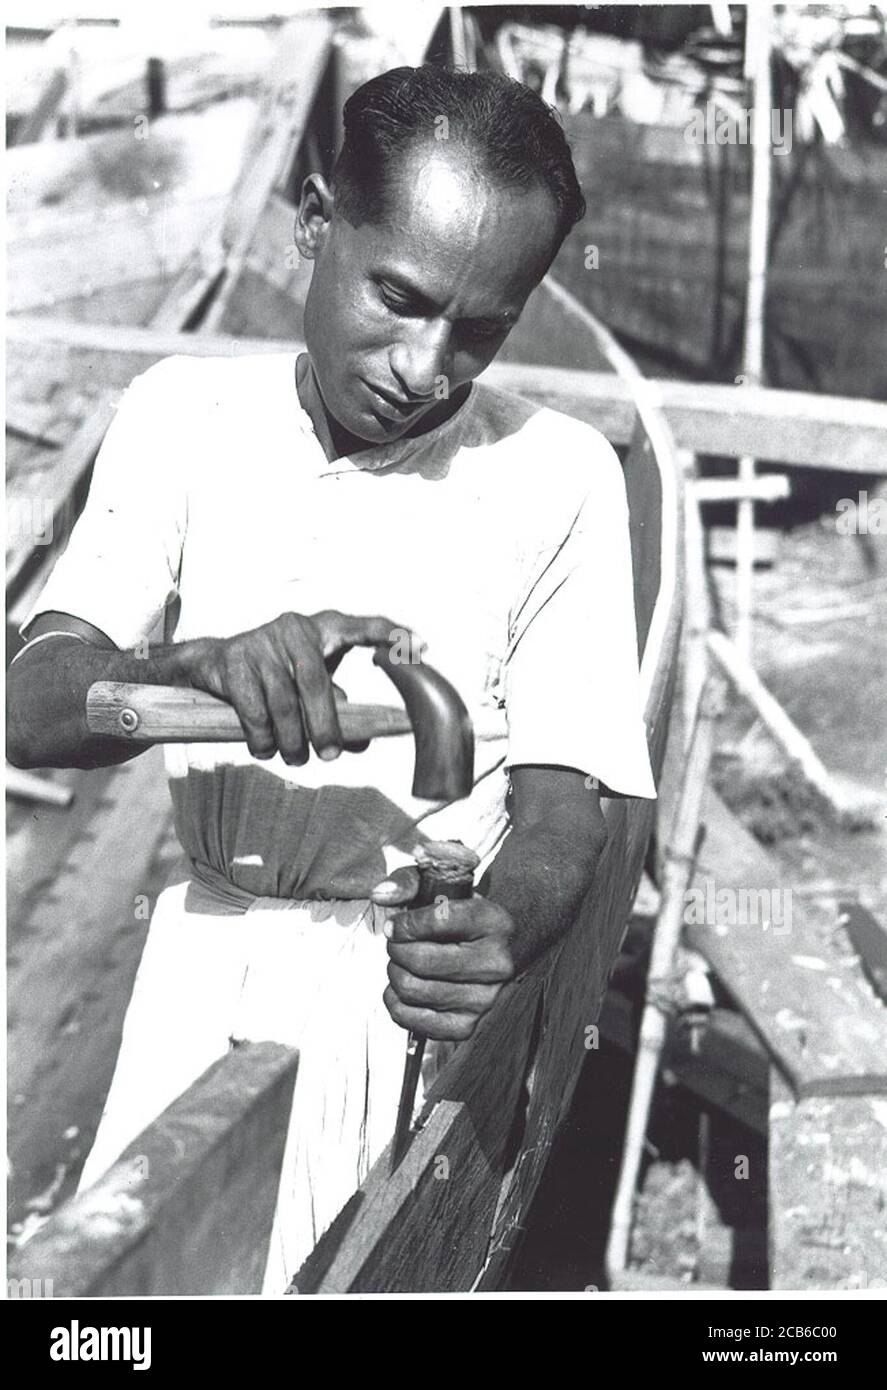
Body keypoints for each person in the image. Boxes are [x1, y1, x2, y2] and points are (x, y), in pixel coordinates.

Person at [7, 64, 655, 1291]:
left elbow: (570, 803)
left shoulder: (555, 473)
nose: (425, 365)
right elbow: (32, 706)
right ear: (314, 222)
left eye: (480, 329)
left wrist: (501, 925)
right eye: (398, 300)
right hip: (199, 974)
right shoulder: (180, 416)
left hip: (408, 1000)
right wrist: (174, 664)